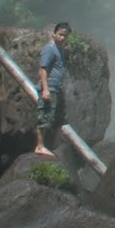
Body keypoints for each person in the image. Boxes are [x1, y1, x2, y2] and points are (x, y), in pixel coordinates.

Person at [33, 21, 71, 157]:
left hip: (56, 88)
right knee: (44, 117)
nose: (63, 37)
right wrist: (45, 89)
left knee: (52, 117)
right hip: (49, 87)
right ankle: (39, 146)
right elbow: (43, 69)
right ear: (54, 34)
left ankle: (47, 145)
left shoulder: (60, 50)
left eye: (65, 35)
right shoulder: (50, 49)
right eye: (60, 34)